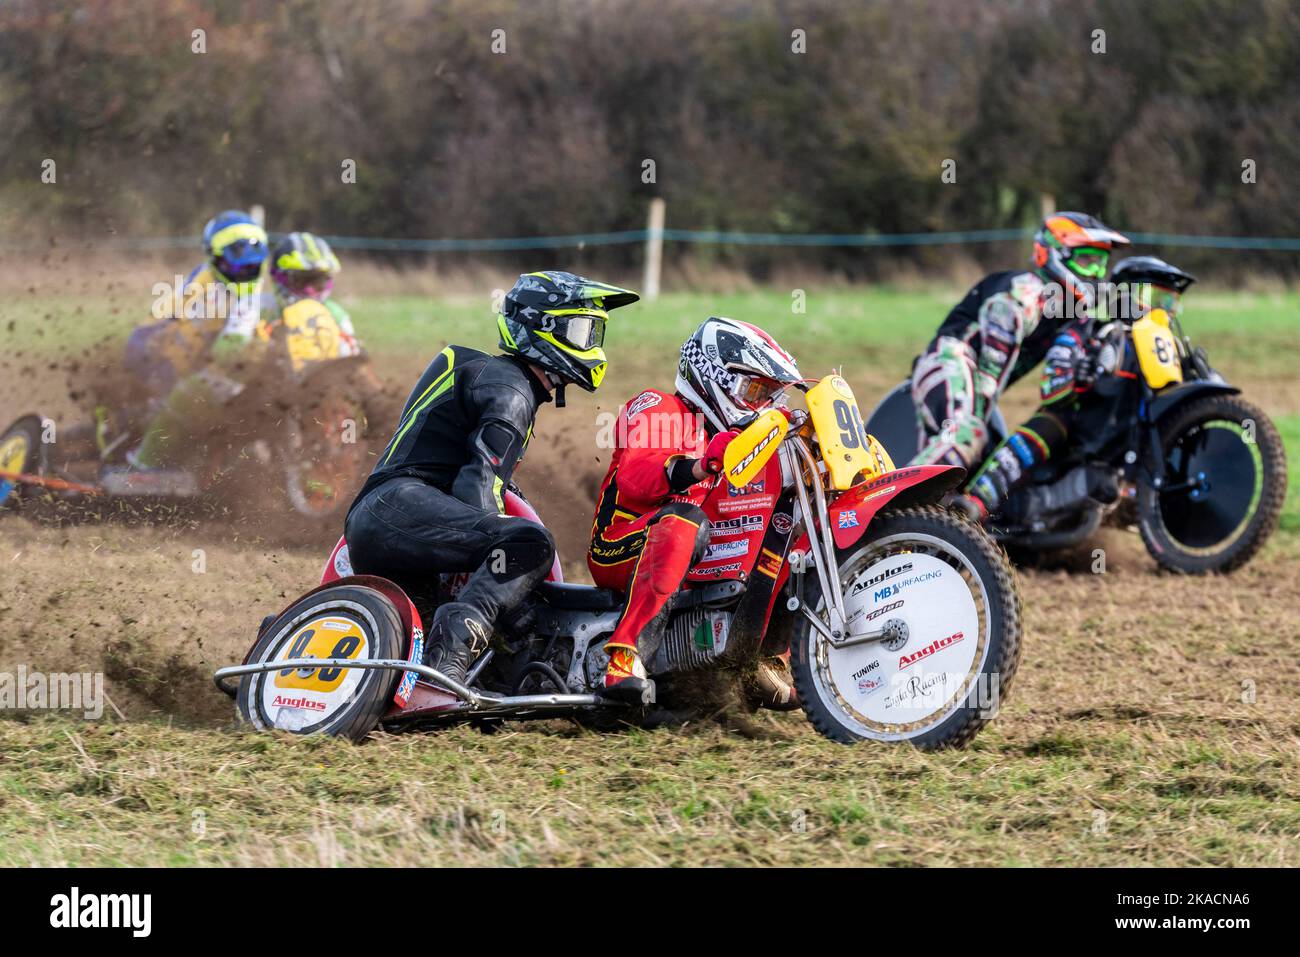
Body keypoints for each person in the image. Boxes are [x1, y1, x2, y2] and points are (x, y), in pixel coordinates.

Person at [345, 271, 639, 686]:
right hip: (397, 507)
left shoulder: (495, 377)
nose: (592, 346)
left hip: (388, 517)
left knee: (502, 576)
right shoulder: (512, 390)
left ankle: (450, 669)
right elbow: (476, 487)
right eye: (582, 331)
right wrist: (510, 561)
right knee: (528, 543)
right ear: (544, 328)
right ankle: (449, 660)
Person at [587, 317, 801, 702]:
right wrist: (702, 463)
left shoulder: (738, 441)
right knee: (685, 520)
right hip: (622, 543)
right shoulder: (661, 407)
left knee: (788, 525)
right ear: (712, 376)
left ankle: (766, 659)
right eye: (754, 391)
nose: (762, 406)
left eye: (770, 396)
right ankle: (623, 655)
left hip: (693, 548)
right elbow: (638, 476)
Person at [909, 212, 1130, 515]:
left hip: (970, 389)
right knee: (966, 434)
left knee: (950, 481)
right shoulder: (1024, 293)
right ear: (1054, 255)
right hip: (947, 363)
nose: (1095, 273)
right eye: (1087, 260)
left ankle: (926, 532)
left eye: (1101, 263)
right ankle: (883, 516)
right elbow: (989, 378)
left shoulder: (1067, 311)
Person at [958, 256, 1197, 522]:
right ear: (1124, 295)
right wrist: (1078, 376)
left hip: (1120, 442)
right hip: (1075, 423)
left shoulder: (1164, 349)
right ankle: (975, 503)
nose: (1161, 311)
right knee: (1047, 426)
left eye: (1169, 303)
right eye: (1155, 299)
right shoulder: (1089, 329)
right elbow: (1052, 386)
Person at [115, 211, 275, 475]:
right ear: (214, 260)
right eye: (236, 267)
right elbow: (150, 338)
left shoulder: (248, 290)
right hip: (167, 371)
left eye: (252, 266)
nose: (245, 273)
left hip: (204, 371)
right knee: (189, 395)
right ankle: (142, 465)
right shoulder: (202, 289)